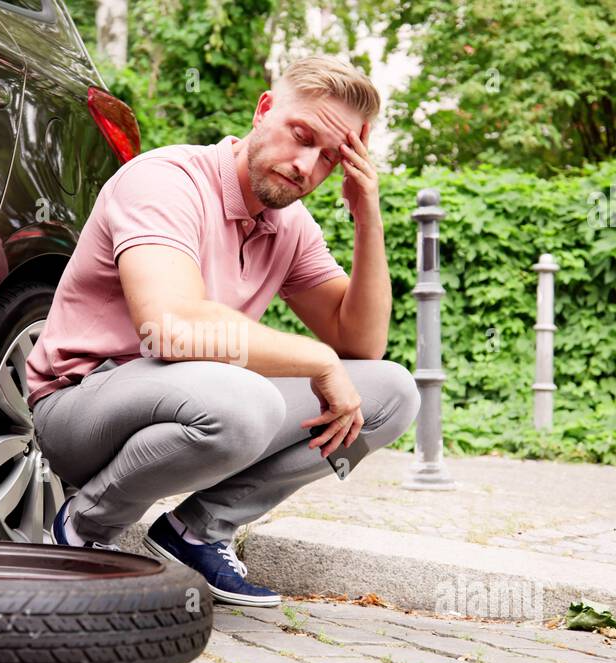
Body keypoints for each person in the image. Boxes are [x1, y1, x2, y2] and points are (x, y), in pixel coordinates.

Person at [26, 56, 421, 607]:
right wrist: (319, 362)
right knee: (246, 402)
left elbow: (362, 345)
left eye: (329, 158)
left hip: (190, 396)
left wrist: (368, 214)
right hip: (81, 405)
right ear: (264, 110)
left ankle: (198, 530)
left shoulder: (290, 226)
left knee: (392, 394)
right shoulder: (166, 180)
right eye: (300, 135)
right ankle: (85, 526)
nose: (306, 166)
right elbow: (171, 329)